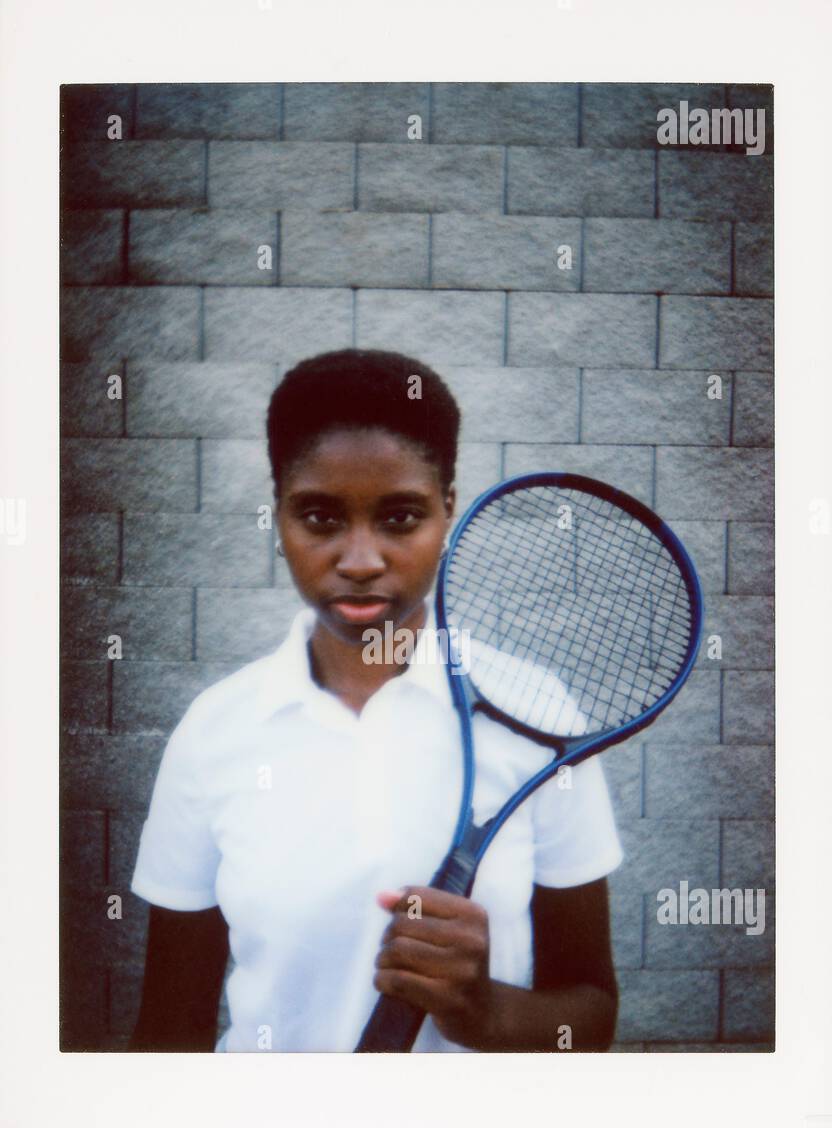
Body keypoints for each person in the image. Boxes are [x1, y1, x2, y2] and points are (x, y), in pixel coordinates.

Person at [128, 348, 624, 1053]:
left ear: (448, 512)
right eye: (321, 518)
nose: (360, 560)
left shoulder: (538, 716)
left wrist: (485, 1013)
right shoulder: (215, 734)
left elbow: (592, 1015)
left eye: (399, 518)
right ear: (277, 518)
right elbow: (168, 1034)